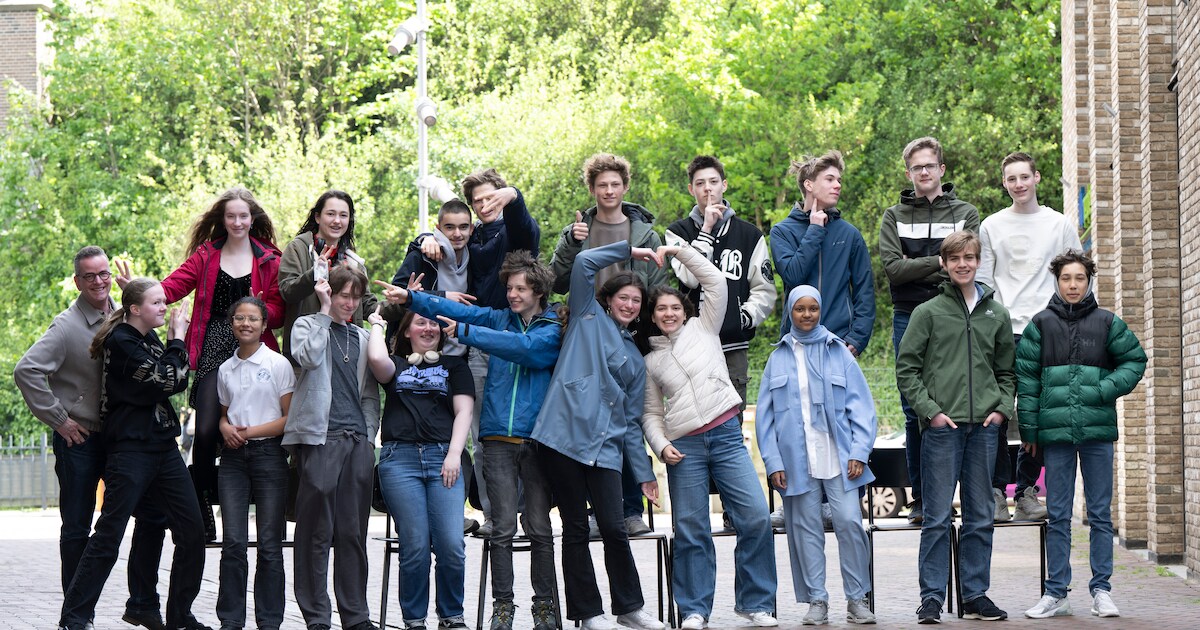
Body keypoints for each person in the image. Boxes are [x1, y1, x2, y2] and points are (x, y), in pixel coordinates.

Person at [378, 250, 564, 630]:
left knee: (539, 529)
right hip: (495, 438)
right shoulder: (499, 318)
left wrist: (465, 334)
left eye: (520, 289)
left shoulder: (550, 329)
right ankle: (503, 607)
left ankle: (544, 606)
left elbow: (523, 350)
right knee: (502, 529)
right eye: (509, 287)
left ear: (539, 291)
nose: (512, 294)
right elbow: (463, 312)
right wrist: (412, 299)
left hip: (537, 440)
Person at [15, 247, 166, 630]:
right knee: (78, 527)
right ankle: (76, 616)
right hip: (80, 441)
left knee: (152, 515)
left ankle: (143, 603)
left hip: (121, 439)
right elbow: (26, 370)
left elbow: (150, 359)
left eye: (103, 273)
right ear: (77, 281)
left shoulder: (122, 313)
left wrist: (136, 299)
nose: (98, 281)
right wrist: (60, 420)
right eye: (89, 276)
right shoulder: (66, 326)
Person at [59, 278, 210, 630]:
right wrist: (177, 339)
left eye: (164, 302)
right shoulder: (122, 340)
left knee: (191, 531)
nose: (165, 307)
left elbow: (177, 376)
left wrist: (171, 347)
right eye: (157, 302)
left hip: (163, 447)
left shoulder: (144, 337)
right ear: (135, 309)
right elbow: (171, 379)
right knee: (109, 533)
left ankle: (177, 616)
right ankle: (74, 617)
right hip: (131, 451)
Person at [640, 244, 778, 630]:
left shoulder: (705, 327)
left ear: (685, 311)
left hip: (726, 436)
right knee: (691, 529)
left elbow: (715, 279)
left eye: (675, 308)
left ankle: (755, 603)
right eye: (661, 309)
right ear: (653, 316)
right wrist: (660, 444)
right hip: (683, 448)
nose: (669, 314)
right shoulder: (650, 361)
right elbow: (650, 413)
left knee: (754, 518)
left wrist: (679, 251)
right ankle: (694, 609)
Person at [532, 241, 665, 630]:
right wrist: (633, 251)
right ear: (608, 300)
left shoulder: (637, 361)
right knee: (575, 528)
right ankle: (589, 614)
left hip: (605, 449)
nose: (629, 305)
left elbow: (630, 422)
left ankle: (629, 609)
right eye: (623, 297)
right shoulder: (587, 317)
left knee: (614, 527)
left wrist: (643, 473)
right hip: (562, 438)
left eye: (636, 301)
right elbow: (586, 261)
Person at [411, 171, 541, 538]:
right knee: (485, 437)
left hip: (517, 341)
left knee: (527, 436)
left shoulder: (512, 233)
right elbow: (441, 237)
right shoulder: (472, 237)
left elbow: (526, 230)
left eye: (492, 198)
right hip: (479, 342)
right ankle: (497, 517)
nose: (486, 205)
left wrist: (513, 196)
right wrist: (424, 239)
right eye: (479, 201)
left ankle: (533, 515)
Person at [1017, 251, 1146, 620]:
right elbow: (1025, 381)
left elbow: (1135, 360)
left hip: (1097, 433)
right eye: (1066, 279)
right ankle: (1056, 594)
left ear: (1089, 281)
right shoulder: (1039, 324)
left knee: (1100, 515)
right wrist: (1029, 429)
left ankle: (1101, 590)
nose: (1073, 285)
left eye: (1079, 279)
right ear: (1056, 282)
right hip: (1054, 435)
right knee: (1057, 515)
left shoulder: (1107, 323)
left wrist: (1102, 390)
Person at [896, 231, 1014, 624]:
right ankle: (931, 597)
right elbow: (907, 369)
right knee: (936, 517)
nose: (963, 263)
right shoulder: (927, 313)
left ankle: (975, 595)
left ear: (978, 261)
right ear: (944, 265)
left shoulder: (996, 314)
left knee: (981, 514)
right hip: (942, 430)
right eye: (955, 258)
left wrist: (1000, 410)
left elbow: (1006, 372)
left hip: (984, 429)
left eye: (970, 257)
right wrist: (931, 413)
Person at [154, 187, 285, 542]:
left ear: (252, 219)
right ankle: (201, 508)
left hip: (253, 343)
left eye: (244, 216)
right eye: (231, 216)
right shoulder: (207, 255)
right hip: (214, 343)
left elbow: (279, 310)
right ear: (222, 220)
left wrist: (256, 313)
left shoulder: (270, 258)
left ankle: (260, 498)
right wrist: (143, 293)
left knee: (254, 424)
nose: (238, 222)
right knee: (209, 428)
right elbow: (175, 283)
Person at [756, 285, 877, 625]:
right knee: (805, 529)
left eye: (813, 308)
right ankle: (817, 601)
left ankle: (856, 599)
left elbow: (862, 408)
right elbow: (765, 419)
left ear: (820, 310)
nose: (806, 314)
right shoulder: (778, 356)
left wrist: (859, 451)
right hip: (796, 461)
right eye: (800, 309)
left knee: (850, 522)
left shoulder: (839, 352)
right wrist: (773, 461)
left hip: (839, 458)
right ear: (790, 312)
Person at [879, 137, 980, 525]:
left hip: (954, 313)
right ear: (909, 173)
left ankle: (964, 498)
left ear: (941, 169)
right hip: (908, 314)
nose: (924, 172)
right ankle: (922, 500)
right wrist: (941, 260)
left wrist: (917, 263)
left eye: (930, 165)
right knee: (913, 409)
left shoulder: (966, 212)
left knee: (959, 402)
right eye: (917, 167)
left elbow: (965, 264)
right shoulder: (894, 216)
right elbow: (892, 269)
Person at [977, 152, 1081, 523]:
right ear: (1004, 183)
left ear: (1036, 177)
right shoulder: (991, 226)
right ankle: (993, 492)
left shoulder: (1059, 225)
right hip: (1005, 332)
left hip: (1048, 330)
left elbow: (1075, 276)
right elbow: (984, 282)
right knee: (998, 416)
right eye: (1011, 179)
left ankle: (1025, 491)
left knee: (1039, 416)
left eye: (1024, 176)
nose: (1019, 184)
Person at [284, 265, 381, 630]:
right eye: (344, 295)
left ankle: (356, 617)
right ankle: (317, 617)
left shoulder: (362, 335)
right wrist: (324, 312)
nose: (350, 303)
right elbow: (306, 358)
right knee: (315, 532)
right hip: (320, 437)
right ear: (331, 294)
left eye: (355, 296)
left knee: (353, 533)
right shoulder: (308, 325)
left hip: (357, 440)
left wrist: (369, 436)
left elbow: (370, 395)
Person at [367, 306, 475, 630]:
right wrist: (375, 323)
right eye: (420, 322)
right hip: (399, 461)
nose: (428, 328)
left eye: (433, 324)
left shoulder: (455, 366)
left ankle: (451, 616)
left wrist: (455, 454)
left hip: (445, 458)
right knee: (414, 545)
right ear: (407, 331)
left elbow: (464, 412)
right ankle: (414, 620)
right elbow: (375, 360)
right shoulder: (397, 366)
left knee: (452, 545)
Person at [664, 155, 776, 409]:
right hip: (690, 345)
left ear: (724, 185)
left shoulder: (750, 235)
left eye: (713, 181)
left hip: (732, 345)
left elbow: (764, 289)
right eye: (700, 183)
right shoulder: (677, 233)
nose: (708, 188)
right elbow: (691, 277)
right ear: (691, 189)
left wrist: (742, 317)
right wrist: (705, 231)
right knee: (692, 418)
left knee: (732, 420)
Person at [215, 297, 295, 630]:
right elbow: (223, 416)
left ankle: (269, 621)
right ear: (232, 323)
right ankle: (231, 621)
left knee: (269, 544)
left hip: (270, 456)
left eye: (253, 319)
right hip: (233, 460)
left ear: (264, 325)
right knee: (233, 542)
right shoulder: (224, 369)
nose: (245, 324)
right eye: (239, 319)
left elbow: (289, 419)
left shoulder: (278, 364)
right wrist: (225, 429)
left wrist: (247, 433)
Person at [770, 150, 874, 354]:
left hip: (839, 343)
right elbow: (793, 275)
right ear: (809, 184)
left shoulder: (850, 234)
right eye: (830, 179)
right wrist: (815, 231)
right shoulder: (782, 231)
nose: (838, 185)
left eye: (839, 180)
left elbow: (864, 291)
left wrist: (857, 338)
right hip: (795, 342)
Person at [279, 190, 378, 363]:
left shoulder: (352, 259)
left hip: (345, 354)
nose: (337, 221)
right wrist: (315, 273)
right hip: (307, 353)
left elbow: (367, 305)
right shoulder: (298, 248)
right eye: (330, 214)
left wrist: (404, 301)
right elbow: (287, 291)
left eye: (343, 215)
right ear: (317, 217)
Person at [550, 153, 669, 295]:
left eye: (615, 184)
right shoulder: (576, 234)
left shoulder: (648, 238)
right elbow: (557, 285)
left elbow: (658, 294)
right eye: (602, 185)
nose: (609, 191)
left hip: (633, 315)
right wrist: (572, 243)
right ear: (592, 189)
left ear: (625, 187)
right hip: (586, 316)